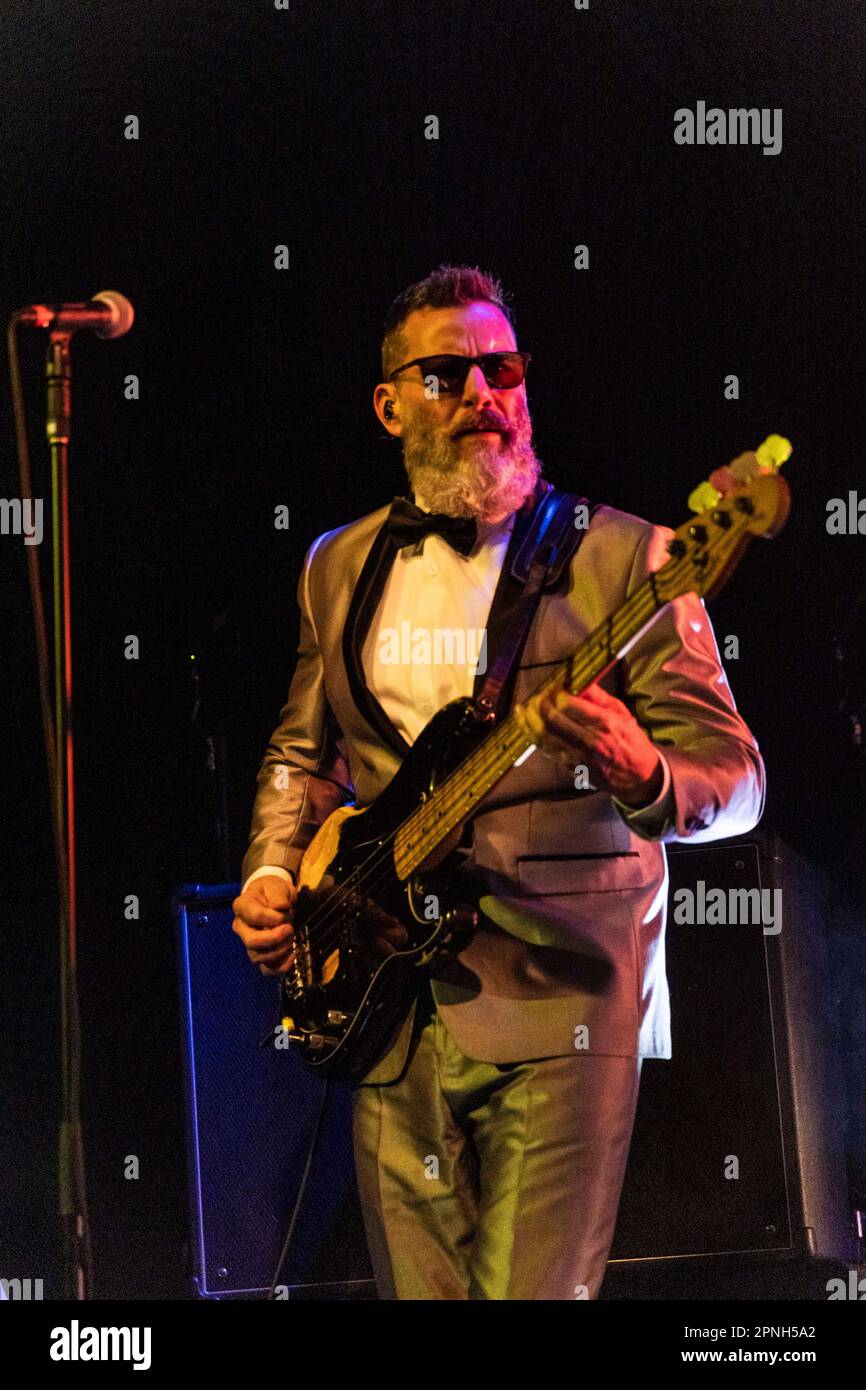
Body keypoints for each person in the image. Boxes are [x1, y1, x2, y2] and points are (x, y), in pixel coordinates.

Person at [231, 264, 765, 1300]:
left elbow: (735, 779)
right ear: (389, 406)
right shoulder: (332, 566)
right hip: (384, 999)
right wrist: (269, 870)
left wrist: (645, 772)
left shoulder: (632, 559)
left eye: (503, 367)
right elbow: (302, 754)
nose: (483, 392)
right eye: (447, 374)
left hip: (563, 992)